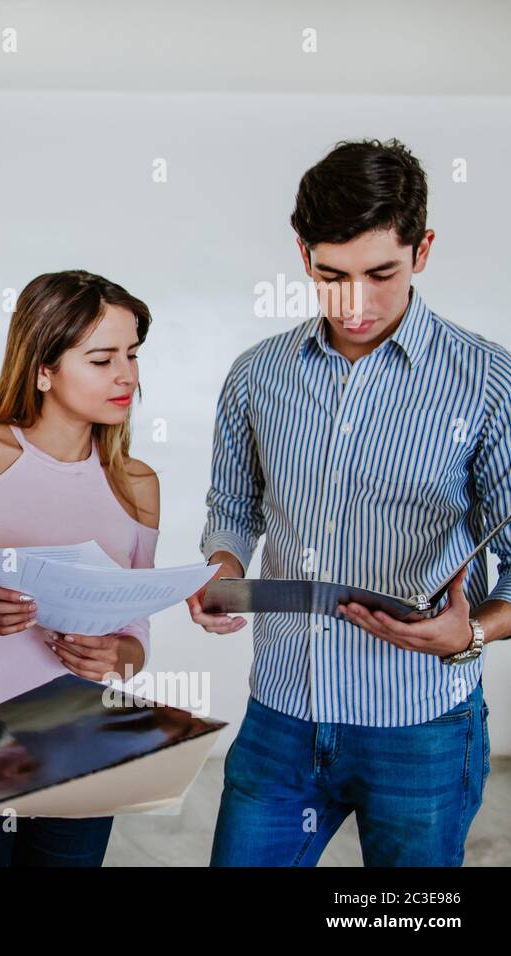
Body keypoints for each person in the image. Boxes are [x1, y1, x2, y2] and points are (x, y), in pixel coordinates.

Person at [188, 138, 510, 866]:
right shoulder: (256, 376)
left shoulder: (491, 384)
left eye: (380, 274)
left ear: (422, 250)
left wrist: (473, 635)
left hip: (421, 727)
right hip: (279, 720)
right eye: (332, 275)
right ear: (302, 254)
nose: (355, 302)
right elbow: (233, 503)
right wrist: (223, 563)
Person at [0, 269, 160, 866]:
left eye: (132, 355)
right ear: (43, 368)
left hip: (80, 748)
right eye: (102, 359)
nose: (126, 375)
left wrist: (118, 656)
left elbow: (137, 632)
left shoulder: (137, 484)